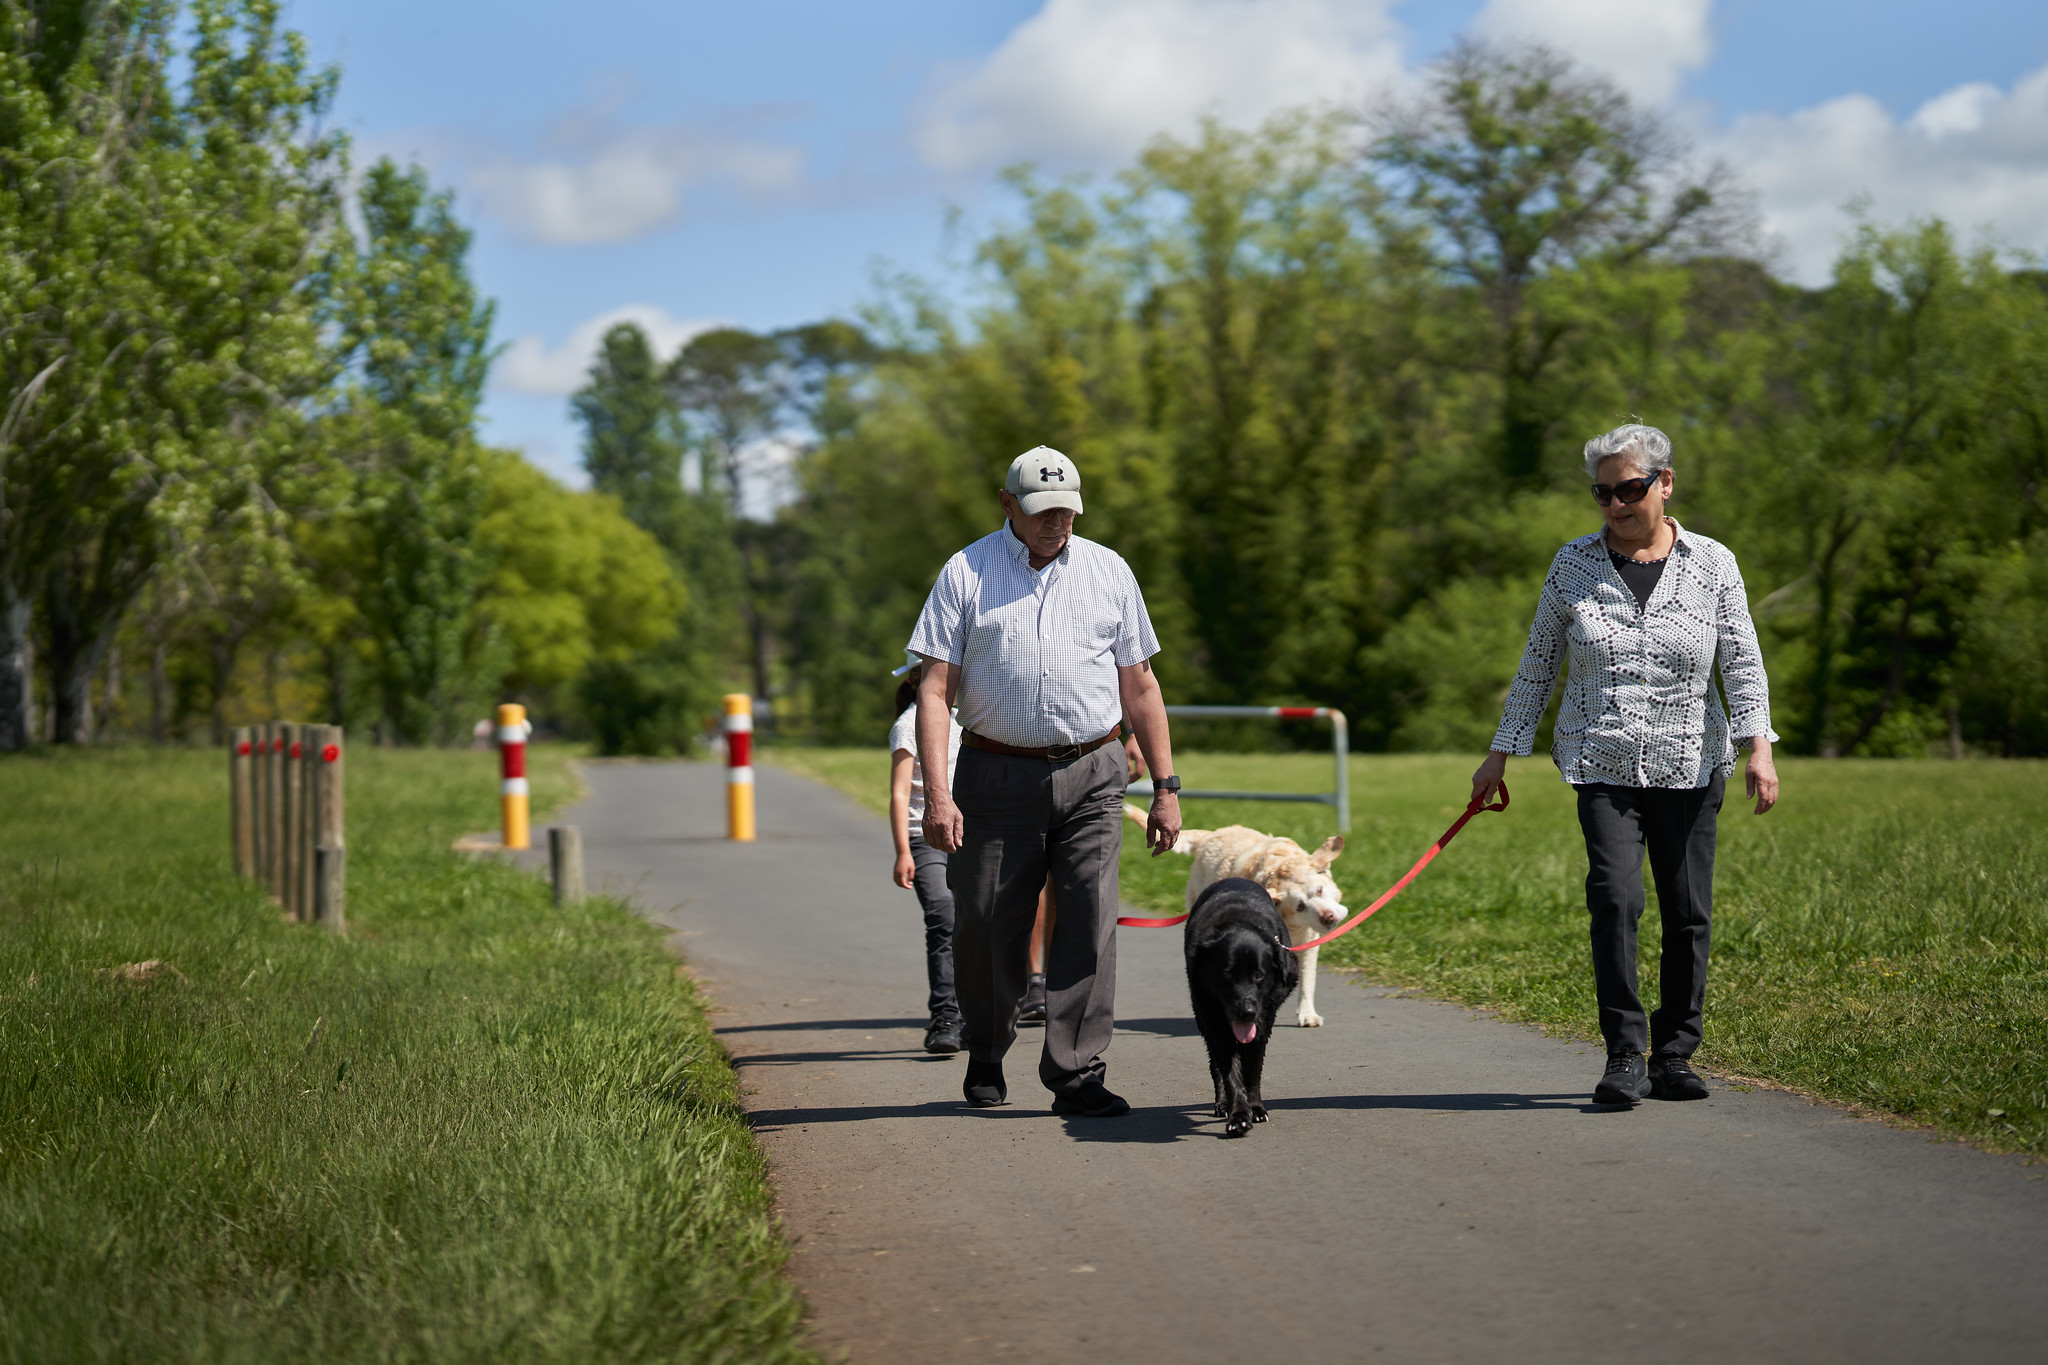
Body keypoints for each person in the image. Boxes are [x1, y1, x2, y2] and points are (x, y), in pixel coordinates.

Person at [1470, 422, 1780, 1107]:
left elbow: (1742, 660)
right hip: (1602, 759)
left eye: (1630, 488)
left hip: (1692, 762)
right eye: (1603, 493)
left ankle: (1674, 1055)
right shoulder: (1572, 565)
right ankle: (1622, 1053)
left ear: (1664, 483)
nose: (1616, 504)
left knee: (1687, 911)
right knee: (1616, 897)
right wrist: (1499, 754)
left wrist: (1759, 747)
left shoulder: (1713, 564)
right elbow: (1538, 663)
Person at [910, 445, 1182, 1117]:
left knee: (1089, 919)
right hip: (995, 773)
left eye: (1066, 510)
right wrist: (939, 795)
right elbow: (934, 688)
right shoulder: (965, 572)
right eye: (1041, 511)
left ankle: (1075, 1070)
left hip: (1094, 770)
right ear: (1007, 505)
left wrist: (1168, 786)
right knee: (984, 919)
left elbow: (1140, 685)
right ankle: (988, 1044)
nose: (1056, 523)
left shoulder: (1108, 571)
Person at [1017, 733, 1144, 1027]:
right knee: (1030, 875)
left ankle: (1053, 978)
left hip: (1087, 756)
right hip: (1021, 754)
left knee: (1070, 880)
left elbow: (1134, 685)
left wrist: (1135, 732)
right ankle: (1033, 976)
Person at [888, 657, 965, 1055]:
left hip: (970, 836)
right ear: (917, 677)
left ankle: (977, 1013)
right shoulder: (908, 724)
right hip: (924, 836)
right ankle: (945, 1017)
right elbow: (900, 793)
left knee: (977, 921)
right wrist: (904, 851)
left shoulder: (969, 720)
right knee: (942, 915)